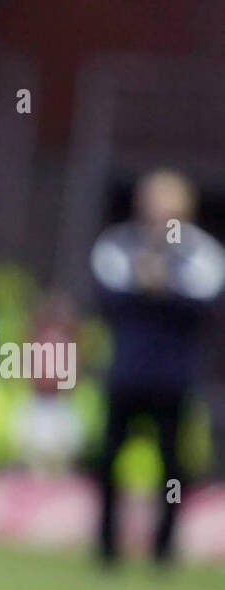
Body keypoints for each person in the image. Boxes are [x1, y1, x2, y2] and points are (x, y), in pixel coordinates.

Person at [90, 169, 225, 565]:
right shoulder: (119, 244)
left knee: (172, 466)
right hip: (127, 372)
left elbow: (202, 305)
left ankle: (163, 546)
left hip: (175, 376)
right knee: (110, 458)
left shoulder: (202, 251)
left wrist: (158, 286)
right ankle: (107, 545)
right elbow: (110, 299)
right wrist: (152, 287)